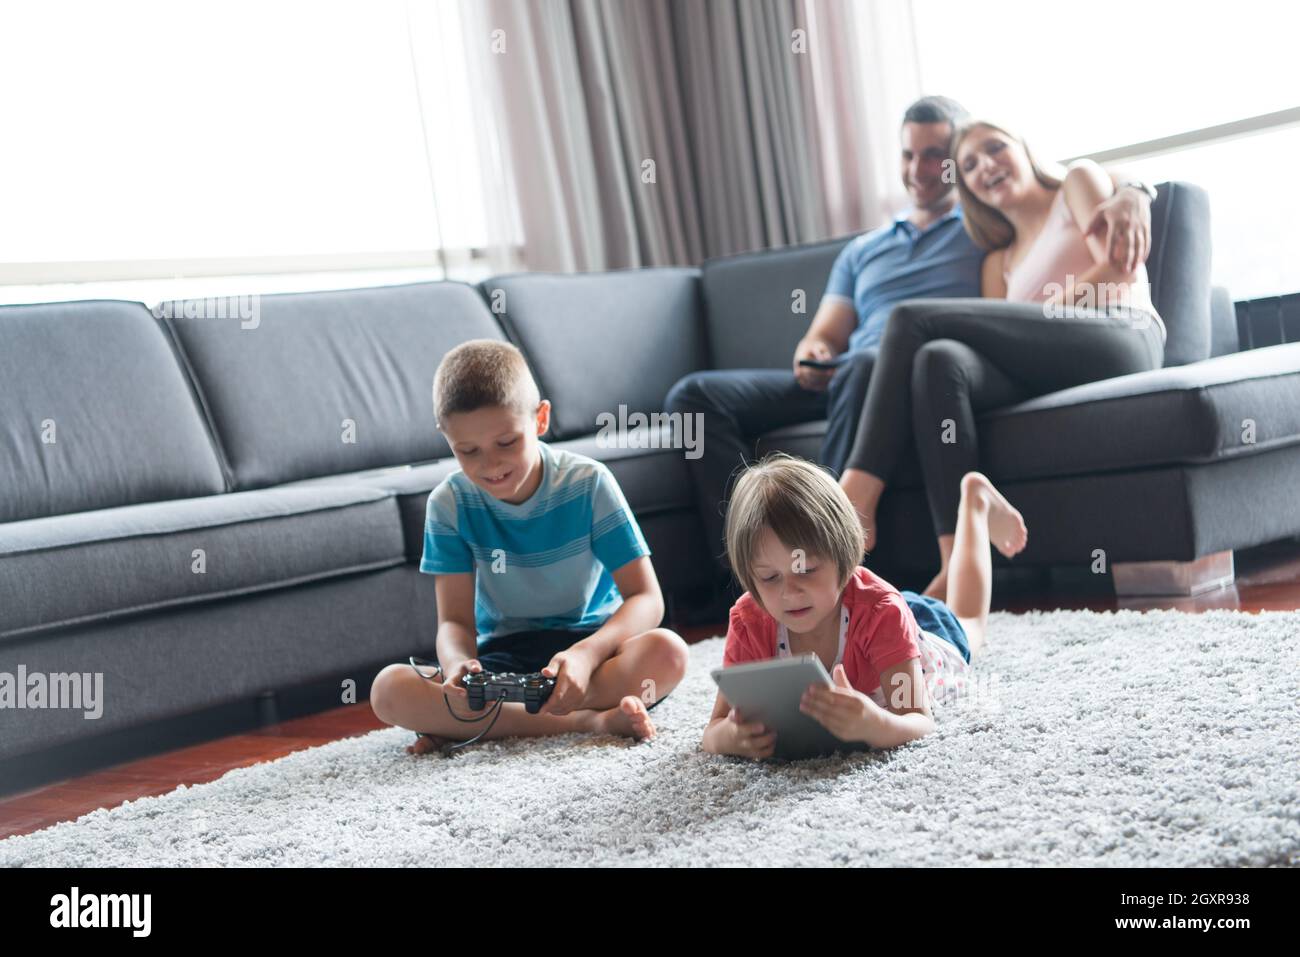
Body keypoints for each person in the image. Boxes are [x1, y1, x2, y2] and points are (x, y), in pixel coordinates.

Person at [665, 96, 1152, 593]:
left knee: (901, 337)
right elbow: (826, 332)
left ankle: (844, 512)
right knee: (695, 397)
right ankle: (762, 575)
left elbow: (1104, 212)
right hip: (852, 368)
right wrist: (812, 352)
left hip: (903, 363)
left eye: (939, 156)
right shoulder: (982, 251)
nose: (921, 169)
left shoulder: (974, 230)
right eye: (910, 155)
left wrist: (1136, 189)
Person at [837, 119, 1165, 597]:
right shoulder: (998, 261)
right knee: (938, 358)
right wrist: (1029, 325)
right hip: (1054, 366)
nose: (985, 165)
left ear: (1024, 149)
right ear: (966, 186)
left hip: (1123, 334)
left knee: (910, 319)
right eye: (969, 164)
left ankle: (854, 500)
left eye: (995, 148)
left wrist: (1135, 189)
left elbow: (1118, 270)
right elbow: (1003, 347)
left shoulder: (1076, 183)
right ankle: (957, 561)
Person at [369, 339, 689, 753]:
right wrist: (456, 666)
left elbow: (646, 598)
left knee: (668, 652)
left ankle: (479, 726)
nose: (491, 465)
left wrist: (586, 655)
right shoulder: (449, 504)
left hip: (591, 647)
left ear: (540, 420)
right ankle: (590, 720)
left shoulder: (588, 483)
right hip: (503, 658)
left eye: (507, 443)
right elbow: (454, 623)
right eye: (468, 451)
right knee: (389, 690)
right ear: (447, 440)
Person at [701, 454, 1023, 758]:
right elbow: (713, 730)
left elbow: (920, 721)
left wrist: (876, 724)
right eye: (770, 577)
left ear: (845, 557)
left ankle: (975, 502)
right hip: (878, 624)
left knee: (969, 621)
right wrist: (730, 737)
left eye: (806, 570)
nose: (790, 592)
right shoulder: (749, 621)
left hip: (915, 629)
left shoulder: (883, 612)